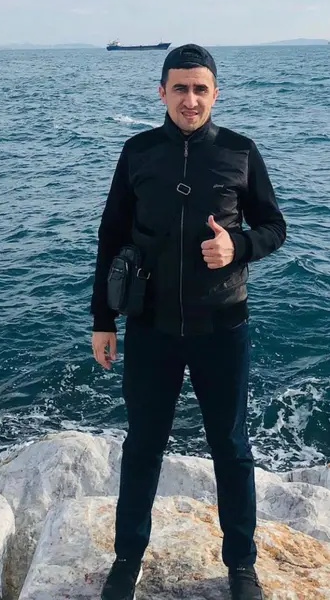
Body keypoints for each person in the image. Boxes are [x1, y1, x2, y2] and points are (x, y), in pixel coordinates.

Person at [90, 44, 286, 600]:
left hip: (222, 326)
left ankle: (241, 565)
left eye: (201, 88)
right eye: (180, 88)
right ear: (162, 92)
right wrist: (103, 319)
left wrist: (238, 246)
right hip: (150, 326)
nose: (190, 99)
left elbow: (274, 227)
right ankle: (127, 559)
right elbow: (111, 236)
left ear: (215, 93)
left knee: (231, 447)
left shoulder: (239, 151)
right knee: (143, 445)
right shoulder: (138, 152)